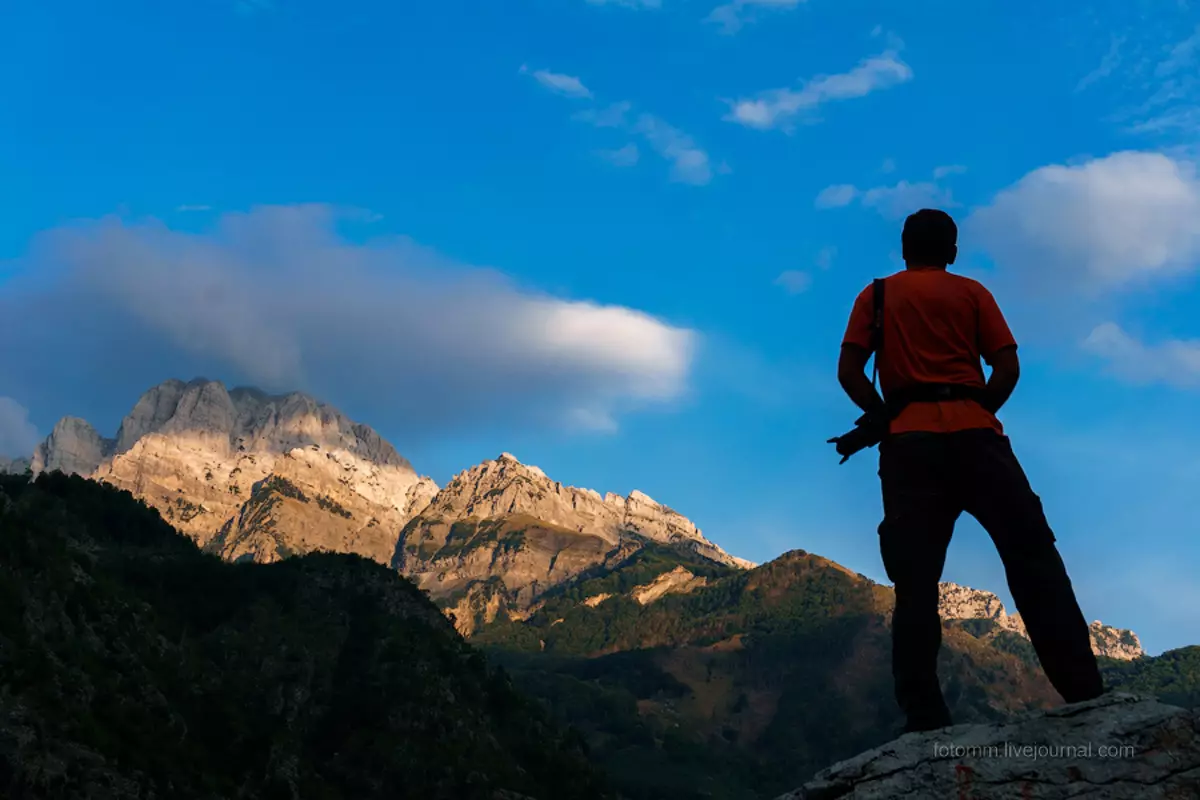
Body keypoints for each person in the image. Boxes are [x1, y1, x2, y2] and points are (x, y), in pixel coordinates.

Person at [837, 208, 1105, 733]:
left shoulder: (877, 296)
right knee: (1033, 559)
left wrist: (884, 418)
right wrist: (981, 411)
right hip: (978, 441)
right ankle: (1085, 692)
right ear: (953, 251)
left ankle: (924, 717)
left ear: (903, 248)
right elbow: (1007, 367)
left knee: (915, 582)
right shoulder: (973, 293)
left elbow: (849, 371)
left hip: (909, 447)